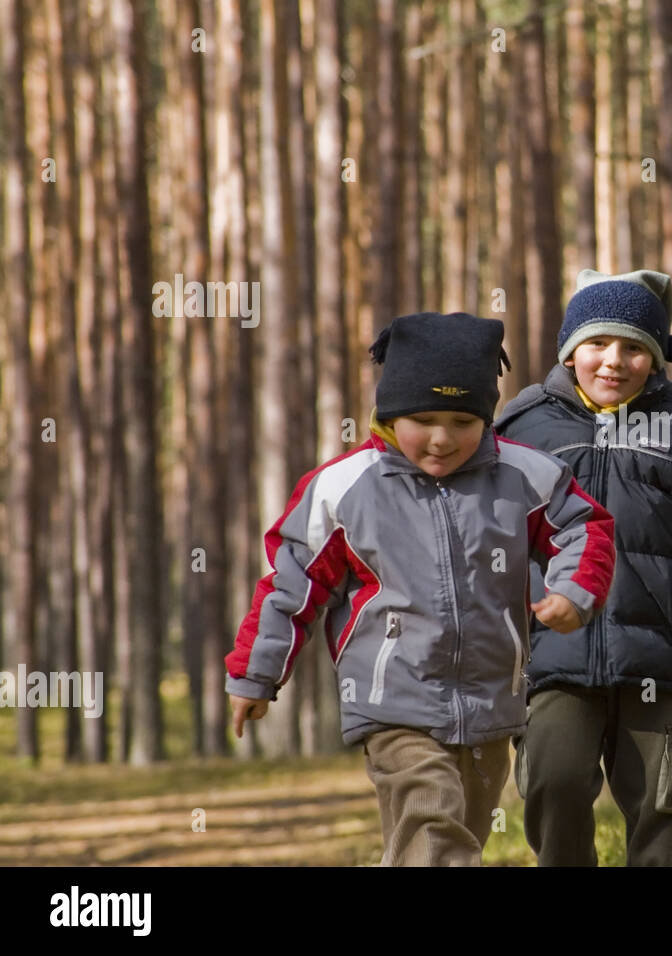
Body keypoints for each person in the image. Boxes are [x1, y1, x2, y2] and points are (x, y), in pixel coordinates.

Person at [226, 312, 615, 866]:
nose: (441, 437)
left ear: (486, 416)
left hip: (489, 704)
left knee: (443, 836)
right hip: (394, 703)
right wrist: (254, 673)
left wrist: (575, 591)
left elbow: (585, 528)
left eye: (462, 420)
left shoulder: (524, 475)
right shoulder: (344, 488)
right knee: (433, 826)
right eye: (423, 418)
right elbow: (290, 586)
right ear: (389, 413)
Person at [495, 269, 672, 866]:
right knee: (553, 782)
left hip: (663, 657)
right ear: (570, 351)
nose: (613, 361)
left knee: (662, 804)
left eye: (634, 348)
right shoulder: (520, 430)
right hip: (554, 657)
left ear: (656, 359)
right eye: (597, 343)